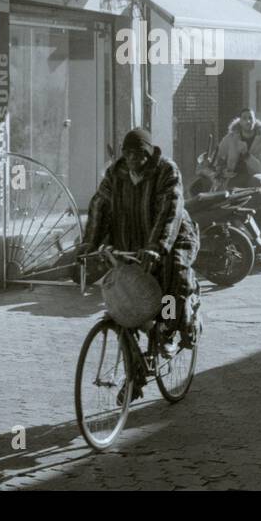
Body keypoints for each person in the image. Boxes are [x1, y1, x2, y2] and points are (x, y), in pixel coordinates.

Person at [81, 128, 200, 357]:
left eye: (139, 154)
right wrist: (89, 244)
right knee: (125, 283)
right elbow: (100, 206)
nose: (133, 159)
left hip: (174, 237)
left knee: (171, 278)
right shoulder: (115, 174)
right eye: (128, 154)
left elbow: (169, 211)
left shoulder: (166, 170)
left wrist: (157, 247)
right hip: (135, 238)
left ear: (149, 154)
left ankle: (168, 328)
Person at [213, 109, 261, 189]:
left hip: (256, 175)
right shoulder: (231, 138)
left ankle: (255, 201)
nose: (248, 121)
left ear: (255, 121)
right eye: (244, 118)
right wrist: (223, 171)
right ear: (240, 121)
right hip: (236, 176)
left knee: (256, 181)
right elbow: (218, 157)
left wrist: (246, 154)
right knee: (228, 190)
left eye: (250, 118)